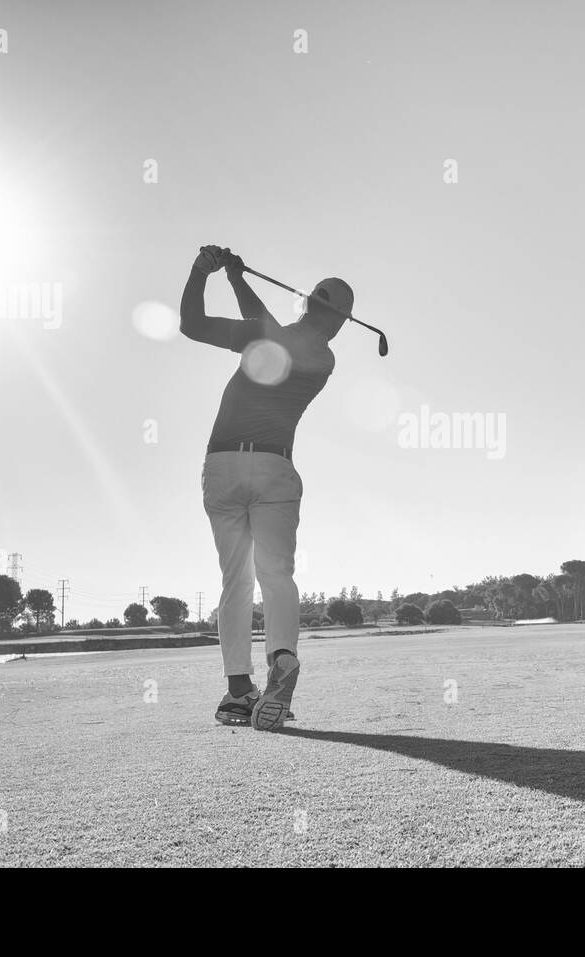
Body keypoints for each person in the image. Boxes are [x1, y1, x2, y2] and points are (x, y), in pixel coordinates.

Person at [179, 244, 352, 731]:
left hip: (223, 466)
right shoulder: (319, 354)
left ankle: (239, 690)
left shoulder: (314, 354)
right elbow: (196, 325)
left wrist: (216, 274)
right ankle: (279, 664)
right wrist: (216, 275)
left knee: (236, 581)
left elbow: (201, 326)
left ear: (309, 305)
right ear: (338, 321)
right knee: (275, 576)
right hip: (272, 471)